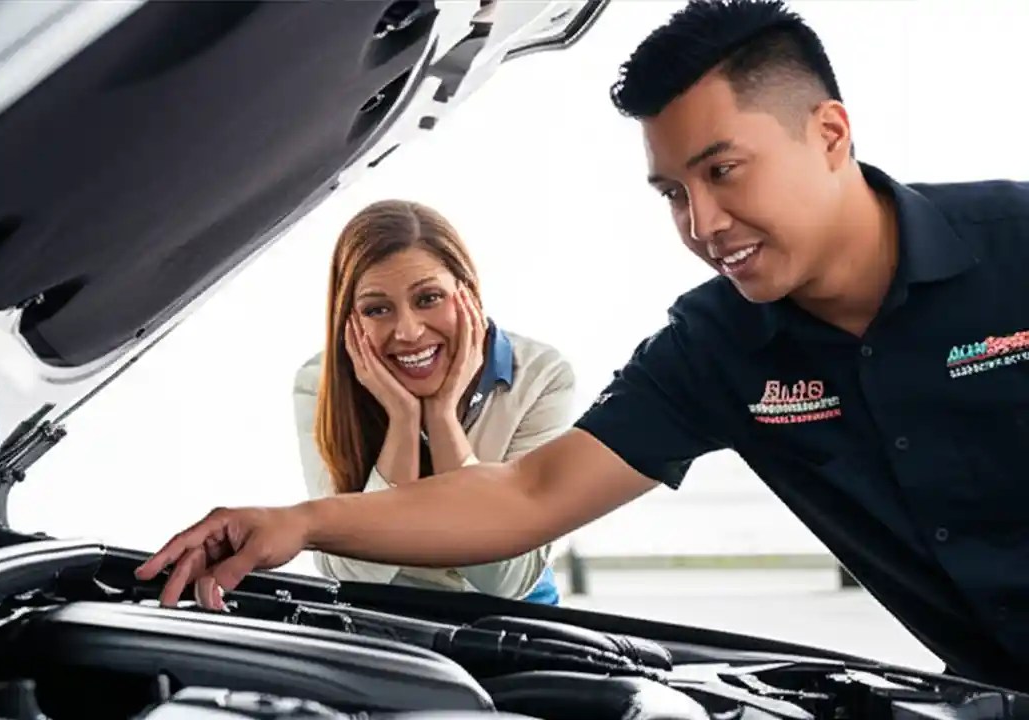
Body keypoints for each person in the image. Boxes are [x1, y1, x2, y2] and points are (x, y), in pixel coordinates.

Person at [136, 0, 1029, 691]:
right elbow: (529, 492)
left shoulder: (1018, 245)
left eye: (722, 171)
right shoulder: (717, 345)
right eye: (672, 193)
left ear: (828, 133)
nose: (703, 225)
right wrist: (299, 522)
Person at [291, 199, 574, 605]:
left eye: (428, 299)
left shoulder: (542, 376)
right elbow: (354, 576)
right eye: (377, 309)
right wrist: (403, 421)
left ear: (469, 295)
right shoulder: (317, 384)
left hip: (514, 612)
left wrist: (442, 419)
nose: (407, 332)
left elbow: (508, 581)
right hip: (389, 609)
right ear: (348, 318)